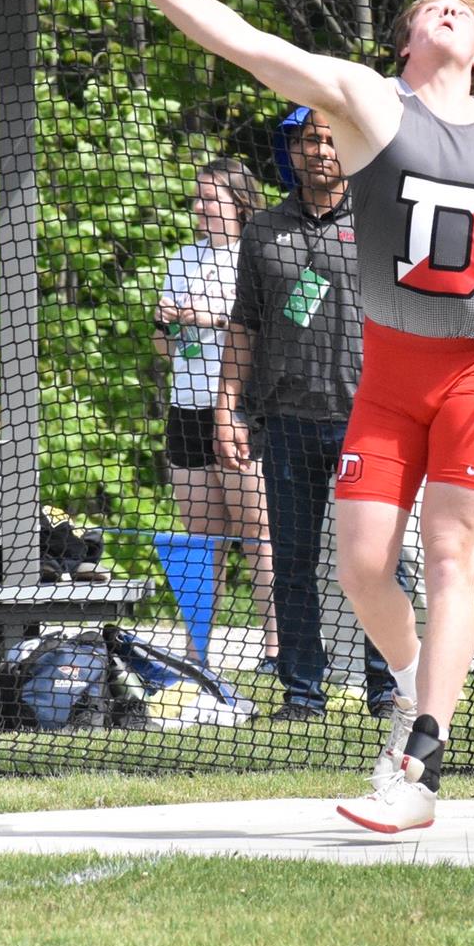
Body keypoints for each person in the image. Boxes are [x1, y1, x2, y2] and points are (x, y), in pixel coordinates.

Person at [93, 0, 474, 832]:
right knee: (360, 567)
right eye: (435, 4)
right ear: (409, 33)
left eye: (466, 10)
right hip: (388, 374)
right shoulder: (370, 100)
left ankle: (420, 758)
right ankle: (422, 681)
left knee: (454, 558)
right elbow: (245, 42)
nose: (449, 10)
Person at [212, 112, 393, 718]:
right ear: (290, 150)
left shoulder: (380, 221)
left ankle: (386, 687)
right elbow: (245, 325)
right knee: (292, 561)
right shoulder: (262, 230)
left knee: (372, 560)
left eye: (330, 139)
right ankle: (302, 692)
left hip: (369, 419)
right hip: (285, 421)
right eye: (307, 140)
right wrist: (226, 408)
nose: (320, 150)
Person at [157, 158, 276, 669]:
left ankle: (275, 649)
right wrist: (169, 326)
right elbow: (163, 350)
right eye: (198, 197)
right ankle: (198, 653)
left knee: (257, 531)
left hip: (240, 409)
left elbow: (271, 337)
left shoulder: (259, 254)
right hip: (186, 408)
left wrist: (212, 318)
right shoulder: (183, 258)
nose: (200, 207)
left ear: (239, 203)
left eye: (211, 198)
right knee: (202, 540)